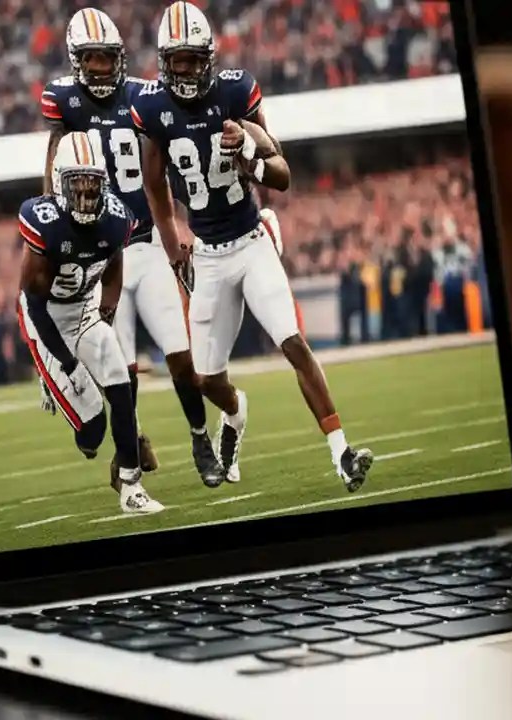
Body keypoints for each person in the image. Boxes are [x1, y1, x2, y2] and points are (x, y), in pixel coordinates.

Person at [131, 1, 373, 491]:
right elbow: (154, 184)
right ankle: (237, 416)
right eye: (177, 61)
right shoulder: (153, 110)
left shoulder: (236, 92)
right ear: (163, 62)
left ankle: (341, 453)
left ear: (209, 57)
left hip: (250, 242)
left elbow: (281, 172)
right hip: (207, 256)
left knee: (293, 343)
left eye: (193, 59)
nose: (186, 70)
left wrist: (248, 155)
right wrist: (171, 236)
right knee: (204, 378)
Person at [41, 7, 222, 487]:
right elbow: (55, 165)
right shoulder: (65, 103)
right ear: (76, 60)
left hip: (144, 244)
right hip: (102, 254)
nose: (100, 67)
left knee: (181, 356)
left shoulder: (145, 96)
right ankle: (131, 448)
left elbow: (162, 166)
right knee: (120, 366)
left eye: (107, 57)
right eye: (92, 58)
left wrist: (178, 223)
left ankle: (200, 436)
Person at [17, 131, 164, 515]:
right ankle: (51, 381)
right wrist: (69, 365)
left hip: (83, 308)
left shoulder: (115, 218)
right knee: (92, 433)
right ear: (59, 182)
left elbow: (114, 262)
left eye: (92, 186)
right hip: (45, 320)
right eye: (76, 187)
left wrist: (108, 308)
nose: (85, 197)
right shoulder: (44, 222)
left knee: (121, 382)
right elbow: (34, 303)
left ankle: (131, 488)